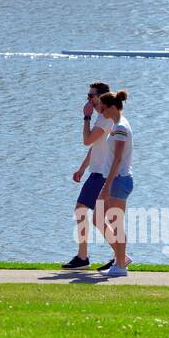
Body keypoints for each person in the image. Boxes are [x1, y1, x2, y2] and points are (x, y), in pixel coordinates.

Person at [63, 82, 113, 270]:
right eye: (88, 96)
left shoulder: (106, 119)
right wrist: (82, 168)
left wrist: (86, 117)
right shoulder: (102, 117)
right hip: (96, 173)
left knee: (96, 218)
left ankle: (119, 256)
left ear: (101, 97)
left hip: (103, 175)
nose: (89, 99)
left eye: (91, 96)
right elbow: (95, 146)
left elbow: (87, 140)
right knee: (83, 212)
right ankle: (83, 257)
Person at [95, 90, 133, 277]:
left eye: (103, 108)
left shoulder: (119, 128)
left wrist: (106, 185)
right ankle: (121, 260)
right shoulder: (118, 125)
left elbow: (117, 159)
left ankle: (120, 266)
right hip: (118, 179)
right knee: (101, 218)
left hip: (118, 180)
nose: (101, 112)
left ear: (112, 107)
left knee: (116, 222)